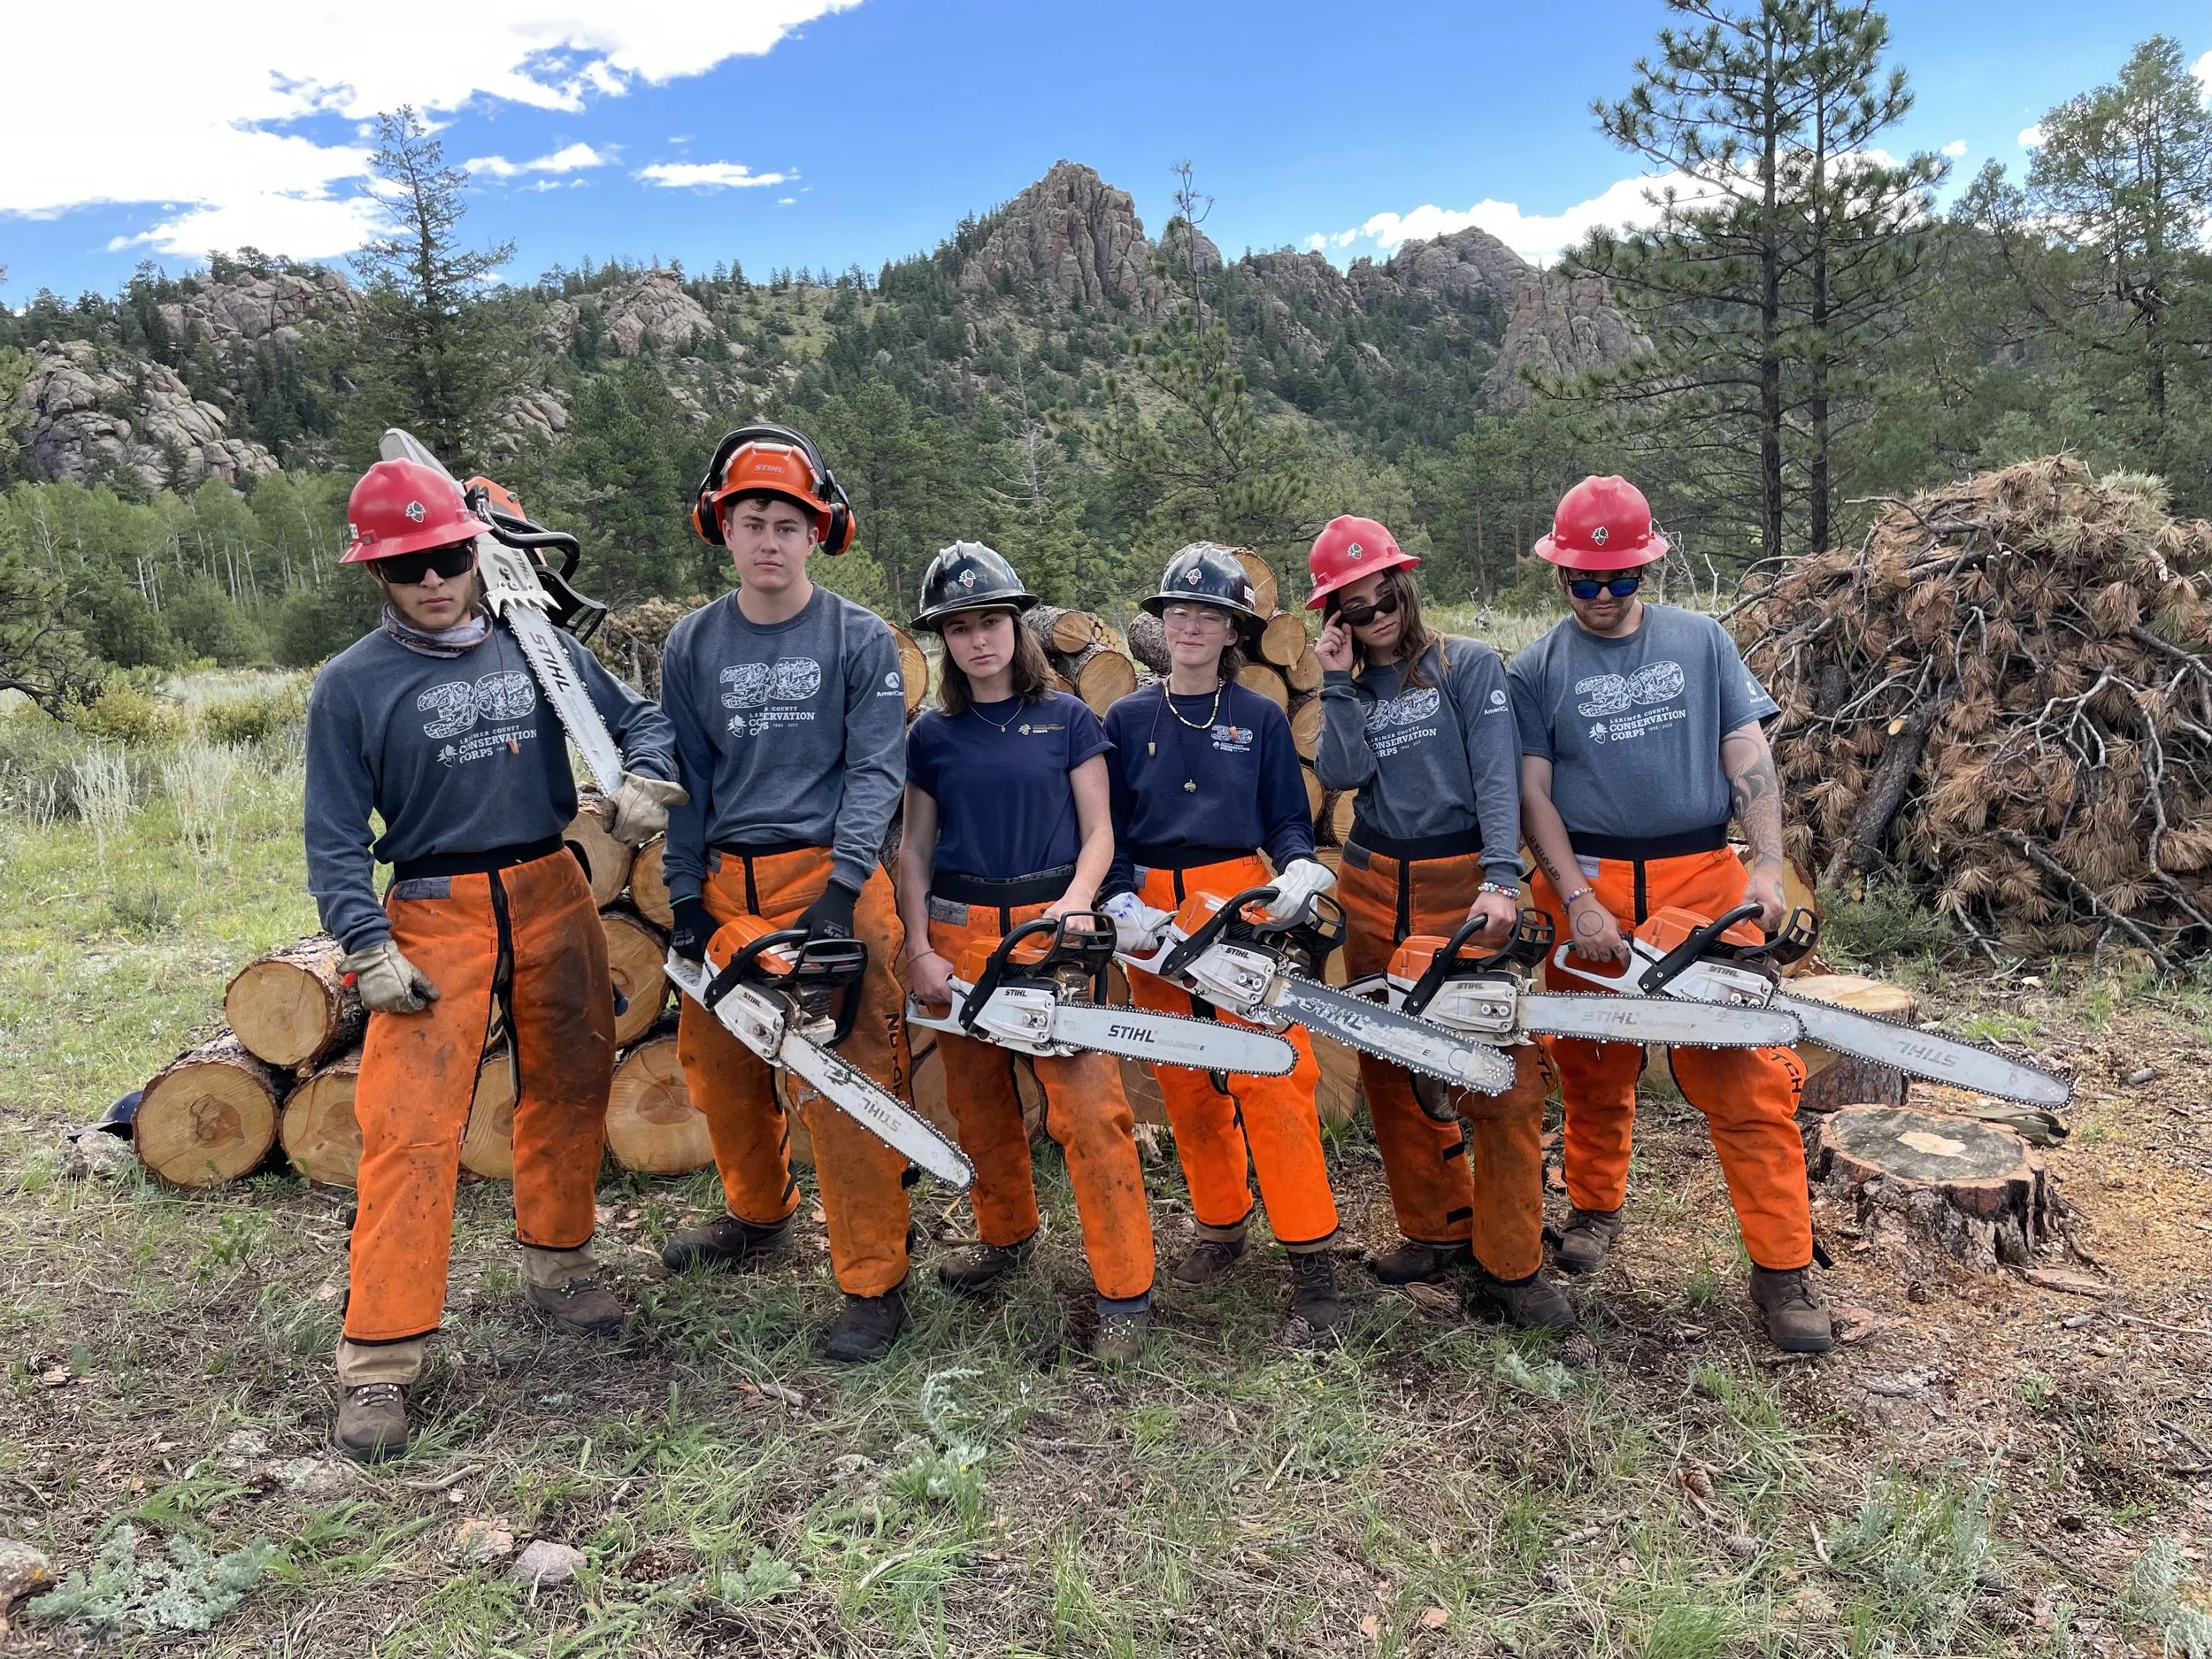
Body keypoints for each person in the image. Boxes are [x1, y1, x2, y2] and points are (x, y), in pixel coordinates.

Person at [306, 457, 683, 1461]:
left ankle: (558, 1261)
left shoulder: (536, 645)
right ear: (375, 576)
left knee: (568, 1083)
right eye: (408, 567)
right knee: (409, 1126)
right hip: (434, 906)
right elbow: (334, 835)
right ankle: (380, 1359)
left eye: (447, 557)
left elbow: (636, 717)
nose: (433, 581)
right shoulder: (352, 687)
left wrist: (646, 774)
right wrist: (363, 940)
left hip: (551, 885)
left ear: (476, 554)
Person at [1506, 475, 1832, 1354]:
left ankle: (1781, 1269)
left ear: (1647, 566)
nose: (1604, 598)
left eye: (1620, 581)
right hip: (1592, 878)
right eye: (1586, 583)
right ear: (1560, 577)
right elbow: (1532, 792)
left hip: (1699, 874)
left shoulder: (1700, 641)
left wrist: (1764, 864)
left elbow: (1745, 748)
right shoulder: (1536, 667)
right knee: (1589, 1061)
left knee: (1747, 1075)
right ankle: (1595, 1205)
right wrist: (1571, 894)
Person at [656, 424, 921, 1363]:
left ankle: (872, 1278)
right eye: (751, 521)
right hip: (730, 880)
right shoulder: (692, 644)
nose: (769, 539)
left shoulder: (856, 638)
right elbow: (684, 776)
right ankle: (757, 1211)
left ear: (820, 534)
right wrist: (685, 896)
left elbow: (875, 772)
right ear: (721, 529)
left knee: (846, 1082)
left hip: (828, 874)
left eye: (786, 524)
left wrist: (844, 889)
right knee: (718, 1070)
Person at [1309, 516, 1571, 1329]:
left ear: (1405, 588)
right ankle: (1435, 1224)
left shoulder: (1465, 663)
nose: (1377, 616)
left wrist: (1501, 875)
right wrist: (1337, 683)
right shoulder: (1353, 678)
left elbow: (1498, 774)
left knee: (1498, 1066)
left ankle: (1512, 1259)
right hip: (1374, 878)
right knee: (1388, 1061)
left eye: (1385, 598)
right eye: (1355, 609)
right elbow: (1344, 774)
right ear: (1335, 619)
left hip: (1464, 878)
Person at [895, 542, 1156, 1363]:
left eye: (991, 622)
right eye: (960, 628)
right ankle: (1006, 1234)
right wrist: (915, 944)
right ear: (944, 640)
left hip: (1052, 925)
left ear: (1018, 625)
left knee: (1089, 1107)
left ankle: (1124, 1289)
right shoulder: (932, 734)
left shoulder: (1071, 717)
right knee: (978, 1101)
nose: (979, 641)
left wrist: (1077, 903)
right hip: (961, 928)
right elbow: (912, 849)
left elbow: (1100, 830)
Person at [1101, 543, 1346, 1333]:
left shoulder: (1263, 716)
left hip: (1239, 899)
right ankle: (1220, 1222)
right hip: (1153, 911)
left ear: (1234, 627)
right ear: (1161, 625)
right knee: (1186, 1081)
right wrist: (1119, 902)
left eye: (1207, 613)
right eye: (1179, 611)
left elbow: (1285, 815)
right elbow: (1109, 829)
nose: (1191, 625)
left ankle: (1311, 1255)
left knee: (1276, 1073)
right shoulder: (1127, 715)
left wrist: (1300, 869)